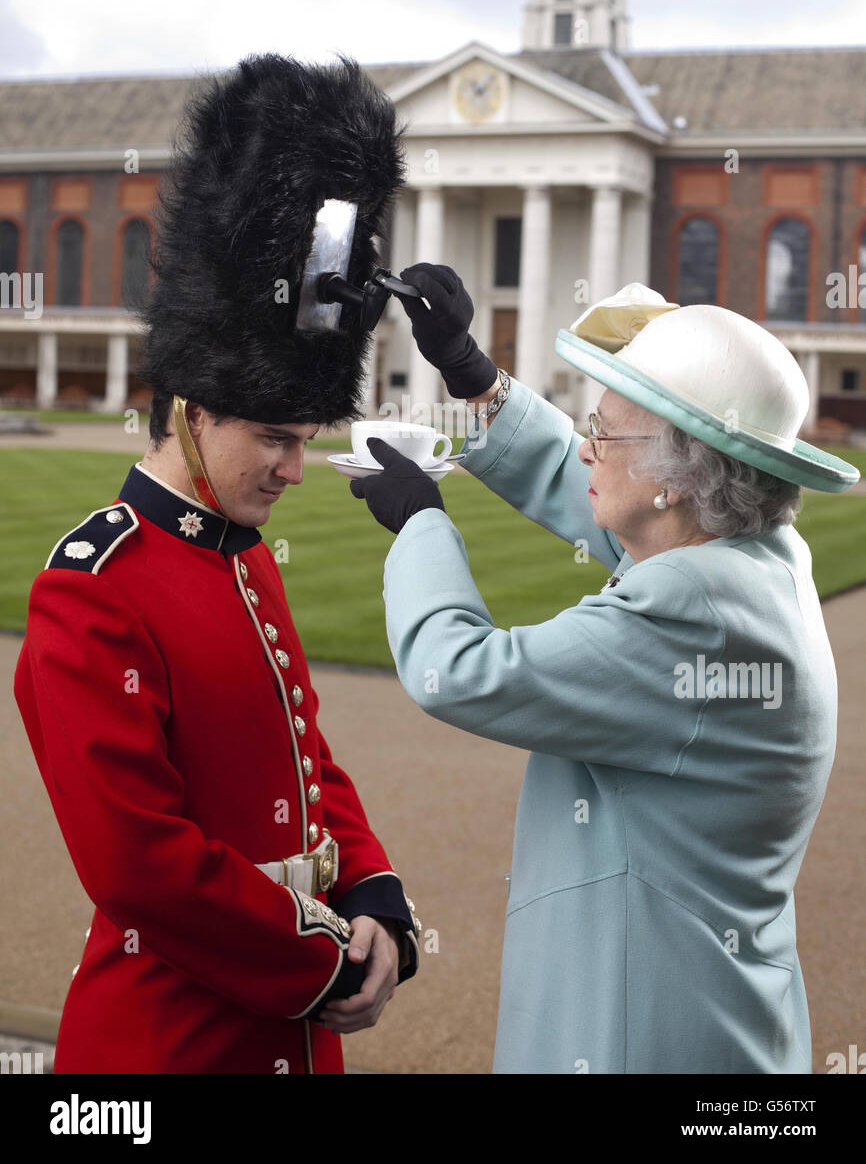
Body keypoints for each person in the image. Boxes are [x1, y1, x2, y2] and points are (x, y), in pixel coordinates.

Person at [13, 53, 421, 1075]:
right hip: (164, 1049)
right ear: (195, 413)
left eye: (304, 437)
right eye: (274, 438)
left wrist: (371, 892)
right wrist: (324, 953)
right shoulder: (91, 588)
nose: (294, 467)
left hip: (285, 1036)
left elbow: (305, 757)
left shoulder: (244, 560)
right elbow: (139, 864)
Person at [350, 266, 860, 1075]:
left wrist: (420, 524)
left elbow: (460, 669)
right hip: (709, 1018)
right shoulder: (747, 553)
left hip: (635, 1032)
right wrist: (468, 368)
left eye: (606, 430)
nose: (587, 443)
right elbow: (586, 483)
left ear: (676, 473)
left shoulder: (696, 608)